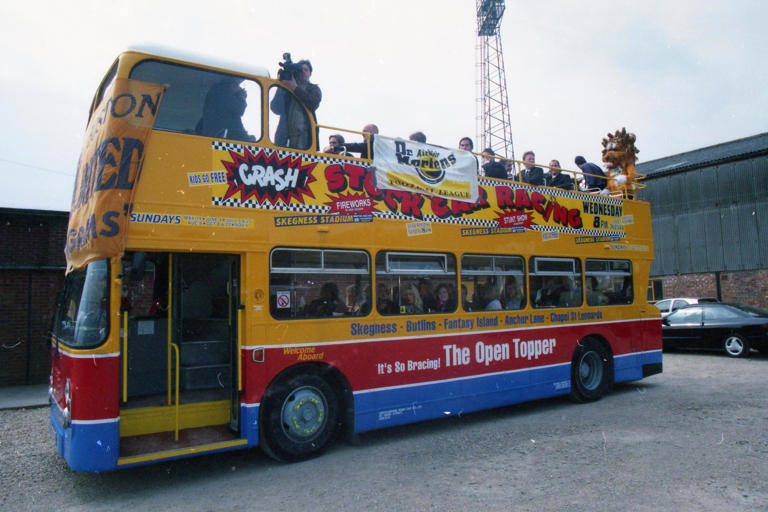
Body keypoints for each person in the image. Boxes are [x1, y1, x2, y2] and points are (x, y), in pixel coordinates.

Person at [270, 59, 321, 149]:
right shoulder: (286, 88)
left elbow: (313, 103)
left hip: (303, 137)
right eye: (300, 69)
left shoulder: (313, 88)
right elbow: (275, 108)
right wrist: (280, 86)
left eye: (306, 70)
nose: (303, 72)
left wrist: (294, 87)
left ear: (310, 74)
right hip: (284, 135)